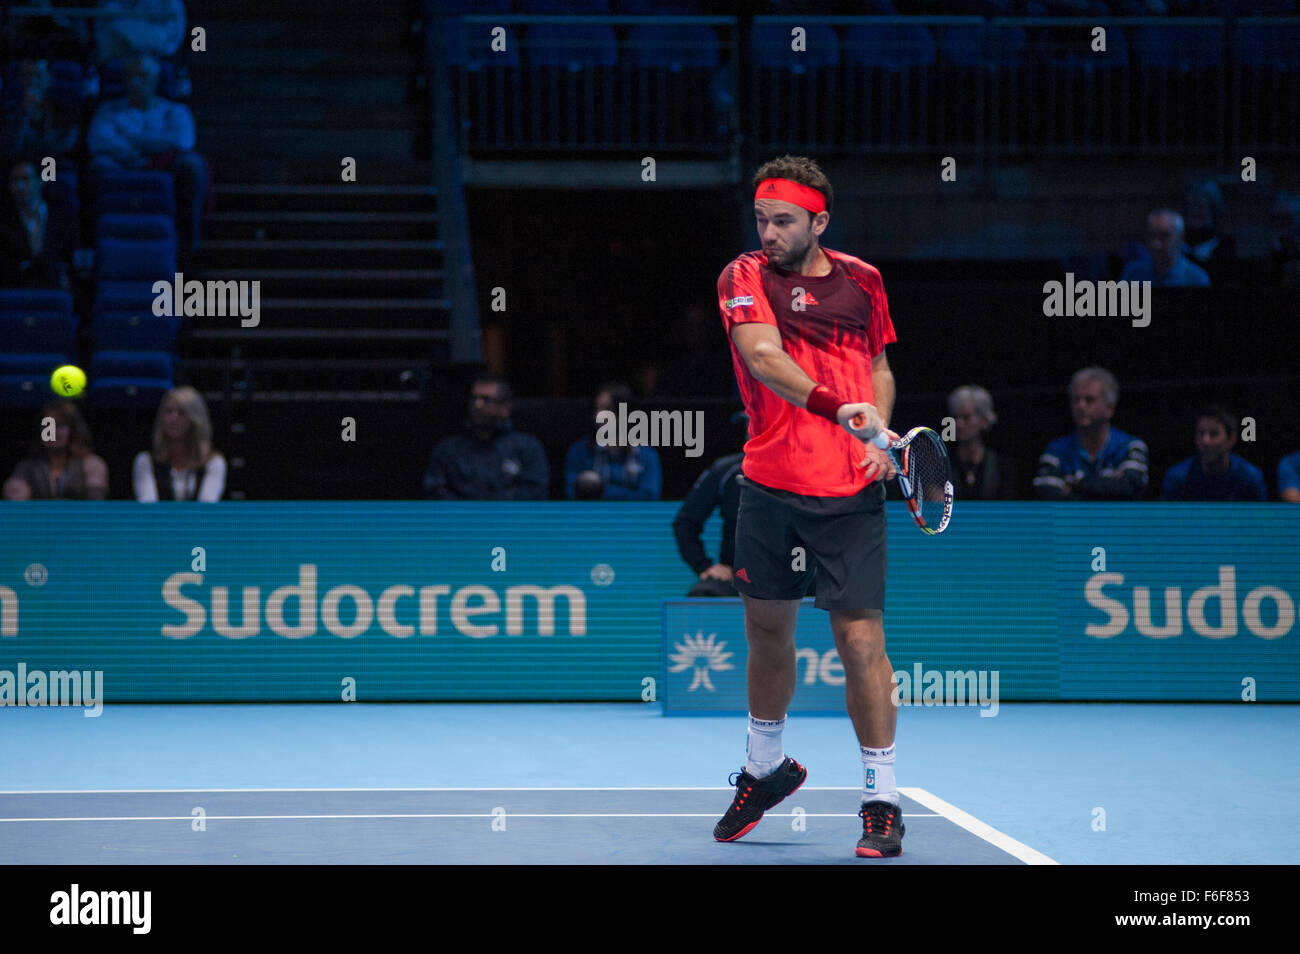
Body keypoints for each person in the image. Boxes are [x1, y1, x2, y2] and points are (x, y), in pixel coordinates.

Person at [712, 155, 905, 858]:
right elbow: (762, 357)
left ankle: (881, 799)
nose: (769, 232)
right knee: (767, 633)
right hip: (768, 484)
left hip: (850, 491)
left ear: (819, 221)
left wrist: (880, 433)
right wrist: (837, 406)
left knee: (859, 643)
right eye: (762, 218)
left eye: (784, 220)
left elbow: (880, 367)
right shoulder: (744, 277)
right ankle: (764, 768)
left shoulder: (865, 281)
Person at [87, 53, 207, 256]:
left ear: (155, 80)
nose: (135, 82)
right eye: (129, 76)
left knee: (192, 165)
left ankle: (189, 244)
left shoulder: (176, 111)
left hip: (166, 167)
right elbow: (97, 142)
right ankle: (93, 246)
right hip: (122, 165)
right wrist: (153, 144)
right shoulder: (108, 109)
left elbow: (182, 142)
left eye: (142, 76)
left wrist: (130, 138)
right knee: (98, 166)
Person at [423, 372, 549, 500]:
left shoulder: (527, 447)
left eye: (486, 400)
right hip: (461, 518)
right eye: (474, 398)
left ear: (505, 407)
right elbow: (435, 492)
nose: (477, 405)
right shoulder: (448, 449)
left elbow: (535, 493)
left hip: (510, 518)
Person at [1034, 367, 1149, 499]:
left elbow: (1128, 489)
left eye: (1089, 400)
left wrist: (1076, 486)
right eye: (1076, 400)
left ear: (1110, 408)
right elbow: (1049, 496)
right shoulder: (1055, 450)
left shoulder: (1132, 447)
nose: (1081, 406)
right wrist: (1108, 488)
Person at [673, 412, 747, 596]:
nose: (751, 430)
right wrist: (703, 565)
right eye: (749, 424)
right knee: (704, 593)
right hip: (738, 575)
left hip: (789, 574)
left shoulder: (800, 469)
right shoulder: (726, 471)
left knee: (824, 592)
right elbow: (685, 523)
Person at [563, 382, 662, 501]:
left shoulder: (647, 455)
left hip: (632, 519)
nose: (598, 416)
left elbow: (649, 497)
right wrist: (629, 494)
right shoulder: (579, 451)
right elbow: (572, 493)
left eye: (607, 409)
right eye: (597, 409)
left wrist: (598, 492)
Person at [0, 154, 80, 289]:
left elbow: (72, 255)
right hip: (16, 290)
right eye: (14, 180)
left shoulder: (62, 216)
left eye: (25, 179)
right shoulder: (4, 221)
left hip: (57, 287)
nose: (20, 186)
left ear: (40, 181)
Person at [133, 386, 226, 501]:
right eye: (169, 411)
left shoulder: (213, 463)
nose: (173, 418)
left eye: (181, 413)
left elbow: (207, 507)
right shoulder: (145, 461)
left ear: (195, 419)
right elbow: (148, 507)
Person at [3, 400, 109, 500]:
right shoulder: (27, 467)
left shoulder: (92, 463)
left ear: (72, 430)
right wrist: (15, 491)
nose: (52, 432)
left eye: (60, 426)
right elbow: (15, 494)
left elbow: (95, 499)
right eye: (47, 425)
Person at [1162, 404, 1266, 501]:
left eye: (1214, 434)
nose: (1205, 441)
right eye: (1201, 433)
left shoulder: (1250, 479)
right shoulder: (1177, 478)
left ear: (1231, 439)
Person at [0, 59, 81, 161]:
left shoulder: (66, 112)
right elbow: (9, 150)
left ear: (49, 79)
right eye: (26, 76)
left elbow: (68, 145)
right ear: (19, 80)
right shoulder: (8, 113)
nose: (32, 82)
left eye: (37, 75)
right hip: (19, 167)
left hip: (51, 166)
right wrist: (22, 114)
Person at [947, 384, 1017, 499]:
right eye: (955, 417)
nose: (958, 424)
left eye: (966, 417)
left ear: (984, 421)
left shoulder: (1003, 467)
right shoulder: (941, 465)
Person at [1119, 209, 1210, 287]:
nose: (1156, 244)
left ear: (1181, 238)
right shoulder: (1133, 274)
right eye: (1151, 235)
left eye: (1164, 236)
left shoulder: (1196, 279)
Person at [94, 0, 187, 63]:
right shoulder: (110, 4)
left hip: (158, 60)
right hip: (116, 61)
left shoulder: (169, 3)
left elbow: (171, 38)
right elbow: (104, 41)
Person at [1181, 179, 1237, 283]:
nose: (1195, 211)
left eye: (1200, 206)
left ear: (1214, 211)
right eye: (1191, 205)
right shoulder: (1175, 247)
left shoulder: (1226, 249)